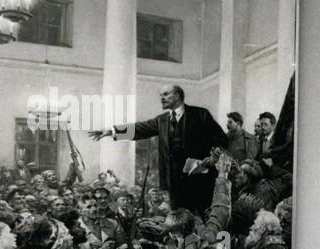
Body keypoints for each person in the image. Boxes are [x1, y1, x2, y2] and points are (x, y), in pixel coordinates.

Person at [93, 85, 227, 213]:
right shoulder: (161, 120)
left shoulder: (200, 114)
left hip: (200, 180)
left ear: (177, 95)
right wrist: (112, 131)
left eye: (166, 94)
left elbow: (221, 139)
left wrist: (213, 157)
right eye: (161, 95)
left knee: (206, 217)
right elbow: (140, 129)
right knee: (179, 220)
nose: (162, 98)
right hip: (174, 183)